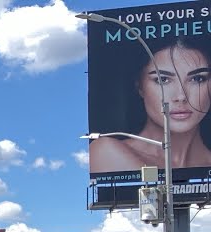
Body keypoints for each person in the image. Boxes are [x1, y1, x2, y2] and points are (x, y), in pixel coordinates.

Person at [90, 37, 211, 174]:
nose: (181, 97)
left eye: (197, 79)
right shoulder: (107, 151)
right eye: (163, 80)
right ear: (140, 86)